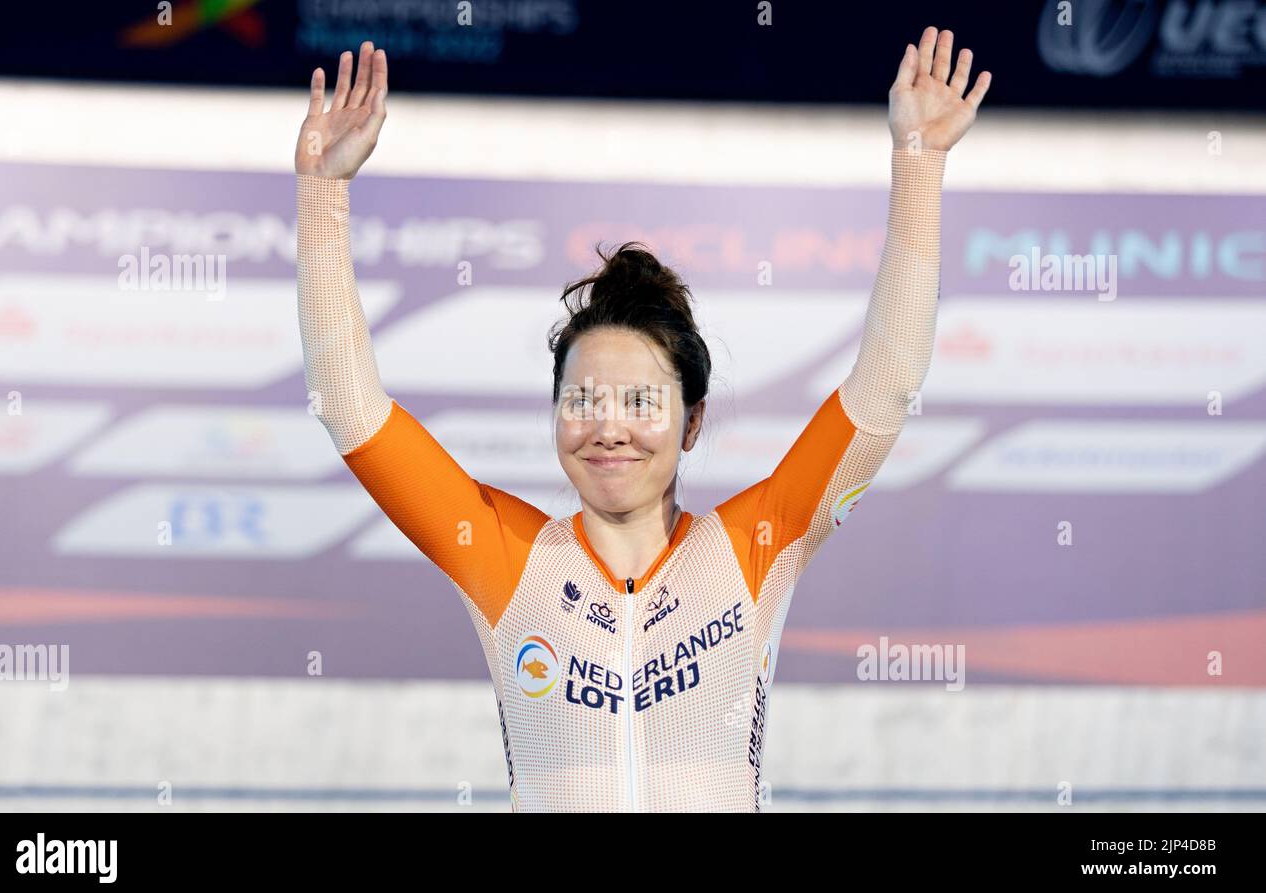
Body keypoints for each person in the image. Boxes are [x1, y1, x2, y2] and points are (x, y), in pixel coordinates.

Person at [294, 27, 990, 812]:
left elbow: (888, 386)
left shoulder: (757, 546)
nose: (608, 426)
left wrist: (919, 164)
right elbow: (349, 407)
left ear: (692, 422)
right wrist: (323, 193)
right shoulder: (501, 554)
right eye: (582, 399)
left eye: (640, 401)